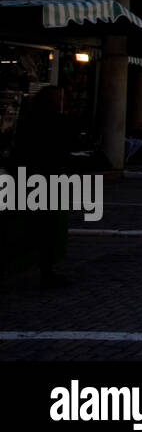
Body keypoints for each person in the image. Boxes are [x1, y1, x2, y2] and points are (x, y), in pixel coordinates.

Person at [4, 85, 73, 289]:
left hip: (30, 177)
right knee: (44, 226)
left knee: (32, 224)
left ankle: (34, 267)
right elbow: (60, 149)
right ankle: (44, 270)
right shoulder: (53, 122)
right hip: (43, 178)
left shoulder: (28, 121)